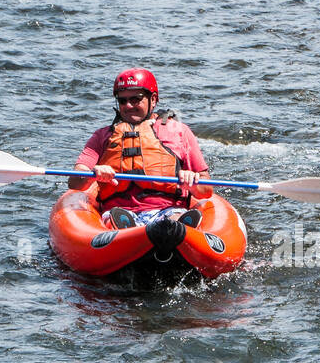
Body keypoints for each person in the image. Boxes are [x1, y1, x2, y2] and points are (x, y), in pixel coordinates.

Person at [68, 70, 213, 254]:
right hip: (120, 210)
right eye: (122, 101)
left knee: (174, 220)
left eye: (135, 99)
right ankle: (130, 233)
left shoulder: (180, 132)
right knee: (114, 218)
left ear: (153, 99)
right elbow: (74, 182)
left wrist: (191, 180)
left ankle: (181, 231)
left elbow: (206, 190)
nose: (128, 106)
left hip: (167, 209)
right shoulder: (102, 136)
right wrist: (92, 174)